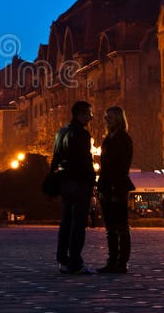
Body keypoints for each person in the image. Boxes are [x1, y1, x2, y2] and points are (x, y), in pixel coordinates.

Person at [51, 100, 96, 275]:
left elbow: (55, 159)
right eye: (89, 114)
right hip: (80, 184)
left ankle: (63, 259)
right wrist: (91, 187)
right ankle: (75, 262)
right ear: (80, 114)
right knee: (78, 224)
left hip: (66, 184)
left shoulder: (62, 133)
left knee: (66, 222)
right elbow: (86, 162)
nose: (91, 117)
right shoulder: (82, 134)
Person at [96, 106, 134, 274]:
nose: (106, 120)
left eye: (109, 117)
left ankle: (122, 261)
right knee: (110, 227)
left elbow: (122, 165)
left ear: (118, 118)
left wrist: (114, 187)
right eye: (106, 116)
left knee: (121, 226)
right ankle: (112, 260)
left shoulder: (123, 139)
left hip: (117, 185)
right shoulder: (107, 139)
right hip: (105, 185)